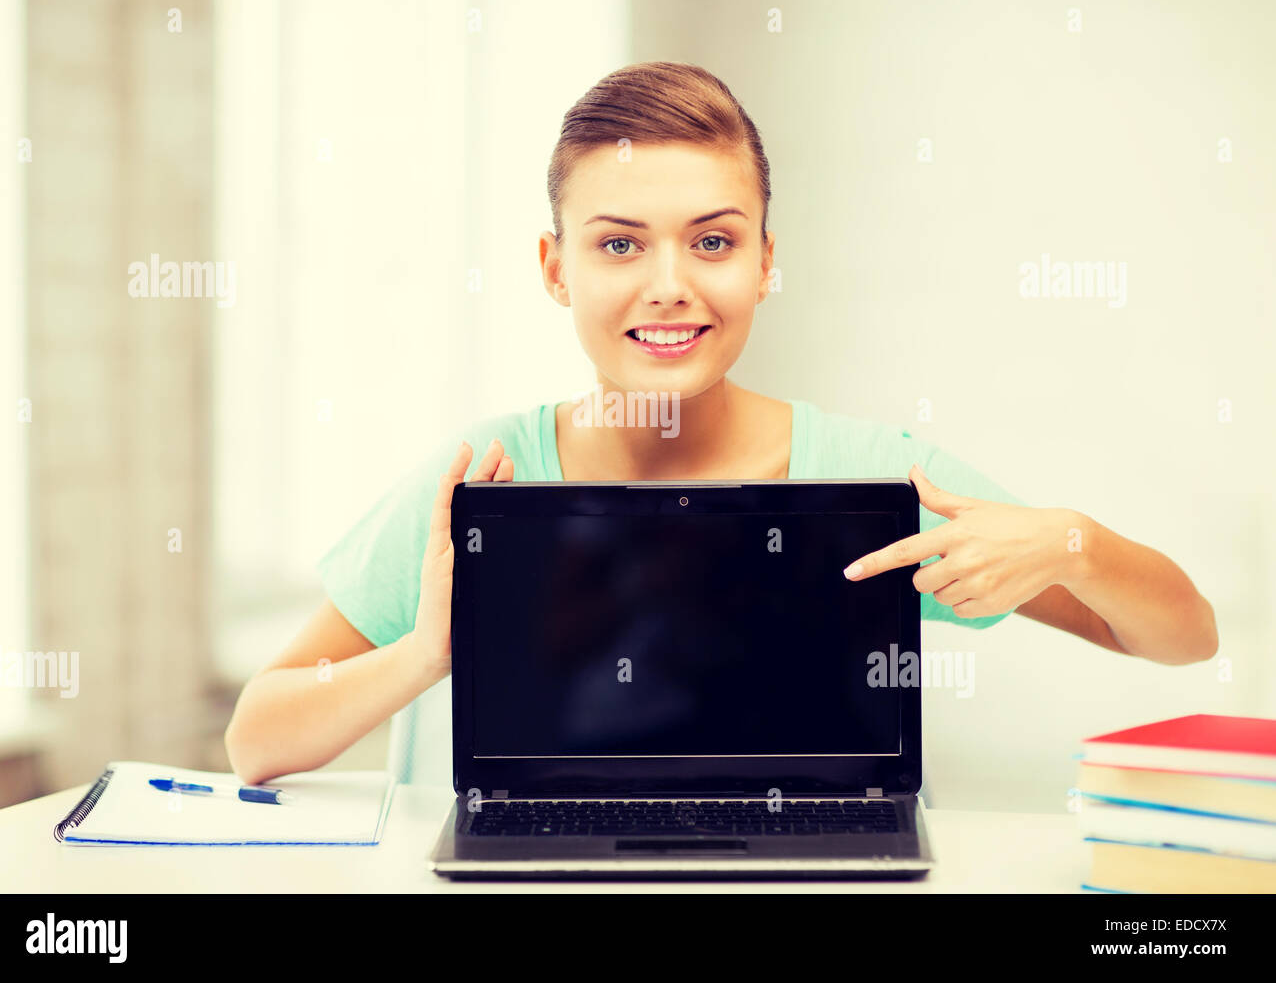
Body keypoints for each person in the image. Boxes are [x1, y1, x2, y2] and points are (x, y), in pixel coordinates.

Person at [224, 62, 1217, 790]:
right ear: (554, 266)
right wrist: (424, 655)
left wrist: (1068, 540)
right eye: (619, 244)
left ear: (764, 261)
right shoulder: (478, 482)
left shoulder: (877, 476)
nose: (671, 287)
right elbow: (256, 741)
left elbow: (1179, 638)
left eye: (712, 240)